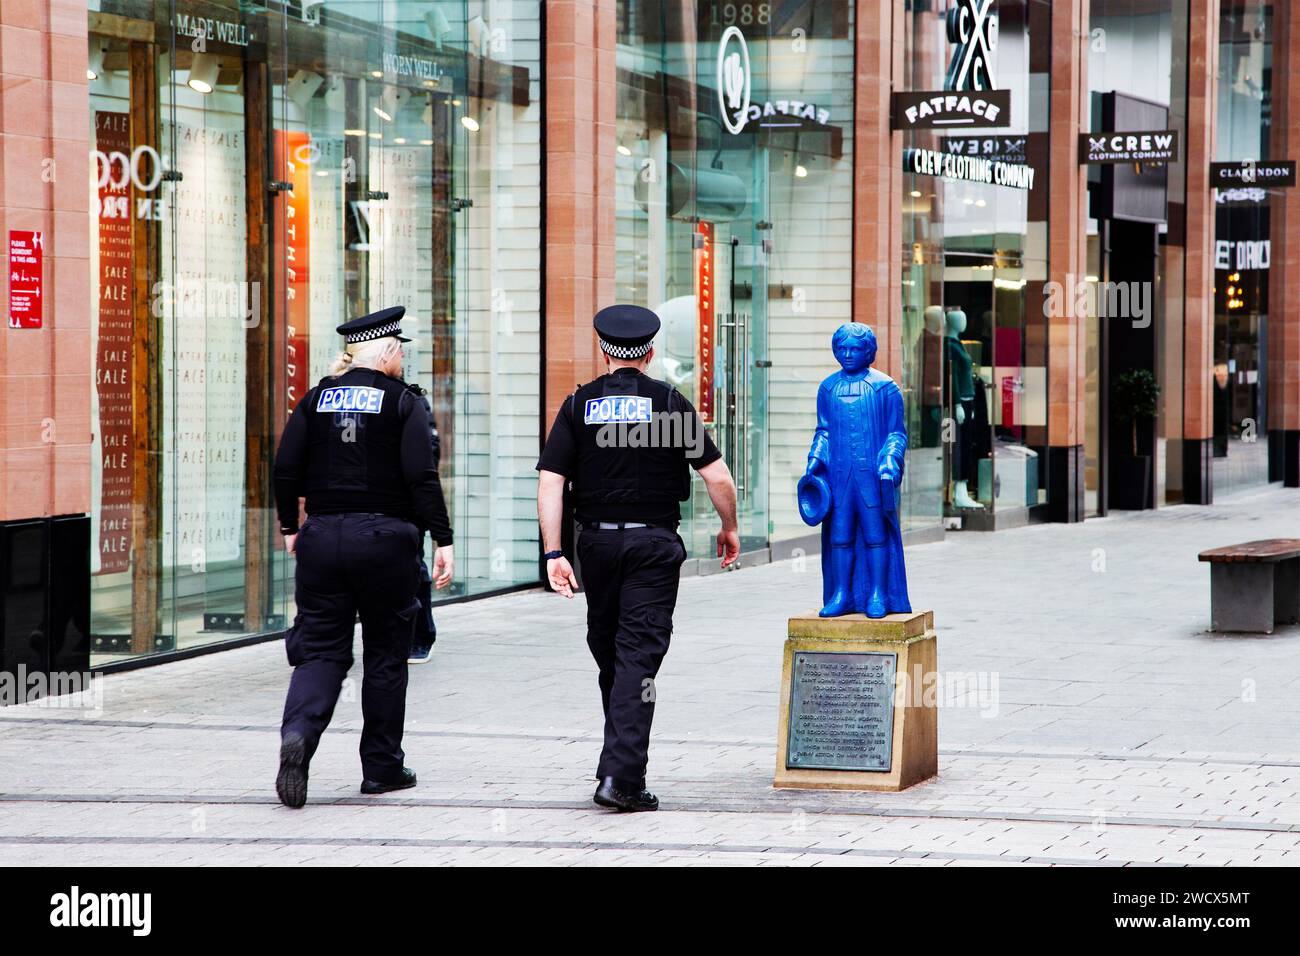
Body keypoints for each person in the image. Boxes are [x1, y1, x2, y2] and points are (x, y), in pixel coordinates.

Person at [536, 304, 740, 813]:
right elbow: (717, 477)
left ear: (603, 351)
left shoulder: (579, 405)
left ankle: (617, 764)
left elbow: (550, 482)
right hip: (652, 546)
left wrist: (554, 552)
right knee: (637, 662)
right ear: (648, 353)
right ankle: (622, 778)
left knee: (612, 653)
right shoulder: (669, 404)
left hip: (596, 547)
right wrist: (730, 527)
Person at [272, 306, 454, 809]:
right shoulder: (402, 402)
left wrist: (291, 525)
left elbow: (286, 466)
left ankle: (299, 739)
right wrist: (443, 539)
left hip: (323, 537)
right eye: (402, 352)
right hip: (386, 542)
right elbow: (421, 475)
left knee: (321, 651)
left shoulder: (314, 400)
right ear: (389, 351)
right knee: (386, 656)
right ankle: (381, 768)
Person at [406, 383, 442, 665]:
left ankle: (420, 637)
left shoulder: (410, 399)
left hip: (404, 505)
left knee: (414, 570)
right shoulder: (328, 395)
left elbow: (429, 458)